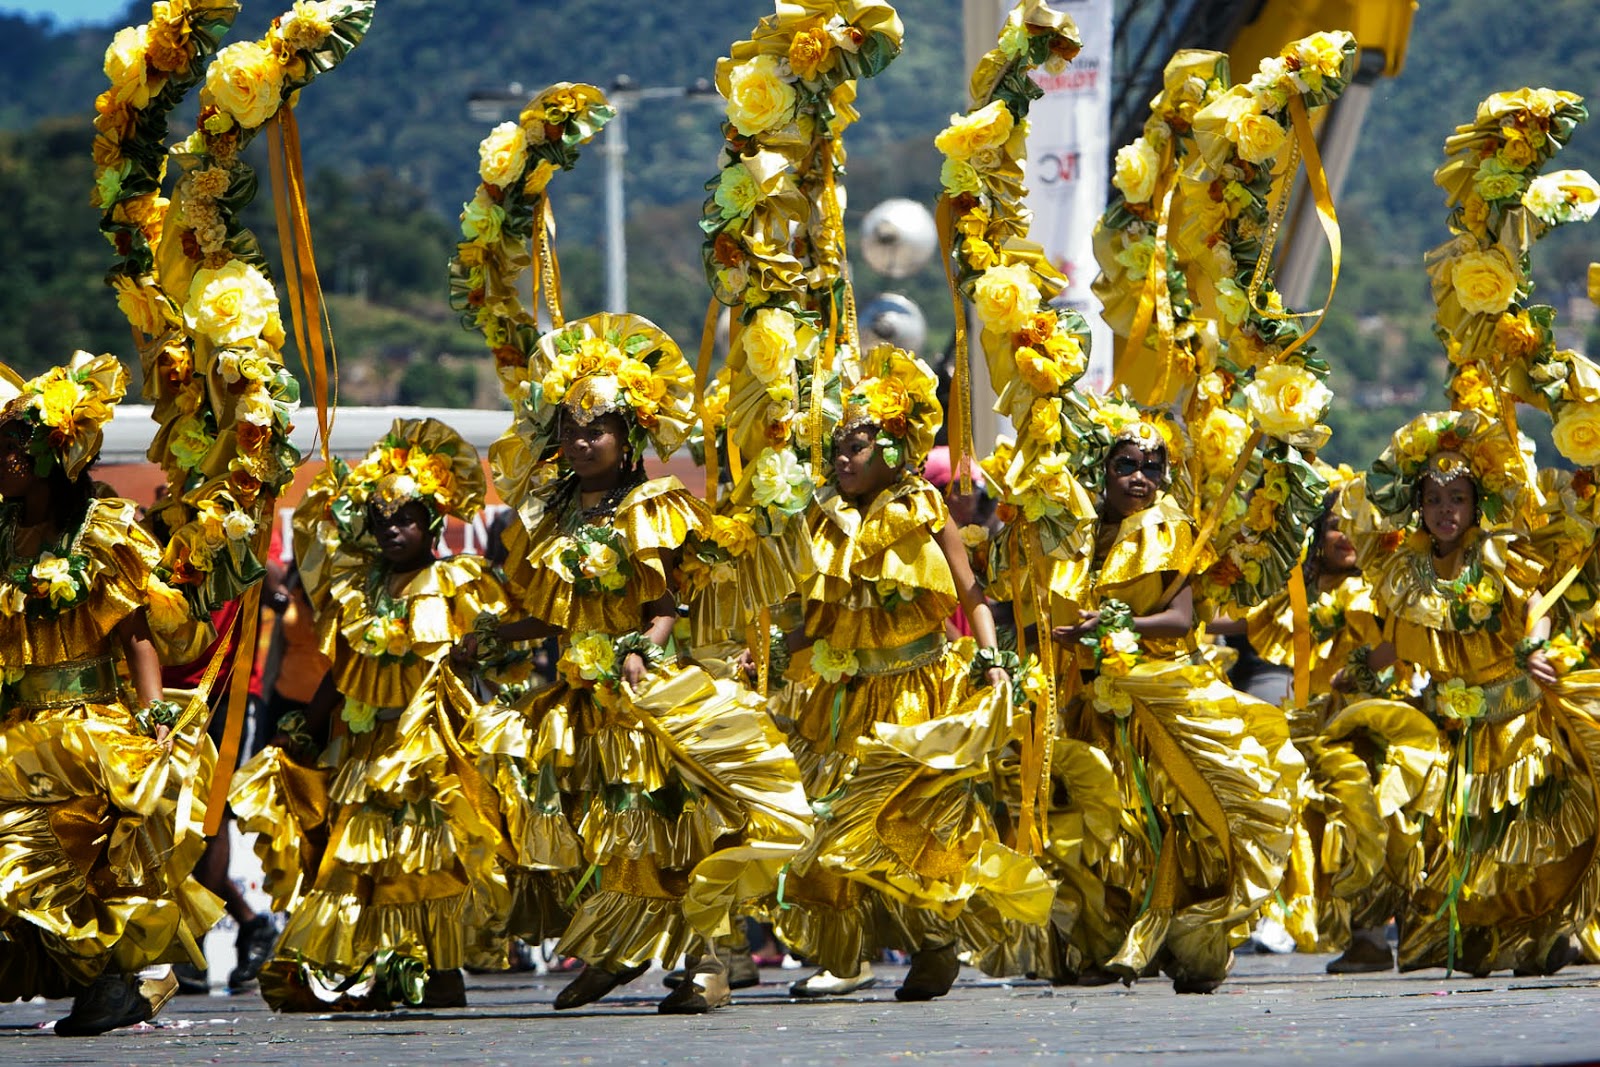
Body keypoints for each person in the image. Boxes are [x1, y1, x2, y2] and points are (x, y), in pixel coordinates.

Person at [480, 312, 810, 1014]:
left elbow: (663, 604)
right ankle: (616, 948)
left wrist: (641, 649)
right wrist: (499, 632)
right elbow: (558, 608)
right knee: (599, 829)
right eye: (569, 426)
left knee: (665, 826)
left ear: (630, 436)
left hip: (643, 694)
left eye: (595, 427)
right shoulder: (559, 511)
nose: (578, 440)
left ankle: (705, 965)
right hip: (582, 696)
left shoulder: (650, 505)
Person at [770, 345, 1048, 1003]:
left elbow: (971, 590)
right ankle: (844, 957)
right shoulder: (819, 517)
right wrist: (775, 656)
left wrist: (991, 658)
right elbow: (811, 613)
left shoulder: (924, 507)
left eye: (858, 445)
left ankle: (935, 941)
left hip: (921, 692)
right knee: (825, 820)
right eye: (837, 444)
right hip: (847, 694)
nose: (844, 457)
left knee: (914, 824)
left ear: (892, 448)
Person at [1002, 405, 1302, 993]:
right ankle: (1103, 943)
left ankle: (1188, 939)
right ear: (1103, 471)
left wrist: (1113, 624)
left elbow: (1178, 620)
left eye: (1152, 467)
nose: (1140, 478)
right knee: (1103, 827)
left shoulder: (1167, 525)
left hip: (1159, 698)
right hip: (1091, 700)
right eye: (1126, 466)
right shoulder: (1082, 531)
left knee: (1171, 820)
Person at [235, 418, 513, 1010]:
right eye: (382, 520)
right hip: (367, 750)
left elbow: (489, 660)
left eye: (406, 518)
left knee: (429, 861)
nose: (393, 530)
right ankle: (382, 971)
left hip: (431, 750)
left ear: (432, 522)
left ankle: (441, 972)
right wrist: (302, 731)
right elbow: (343, 671)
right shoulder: (360, 591)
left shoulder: (459, 580)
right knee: (364, 864)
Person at [1326, 410, 1600, 975]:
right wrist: (1359, 671)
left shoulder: (1498, 556)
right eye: (1433, 499)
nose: (1445, 511)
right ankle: (1481, 937)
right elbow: (1400, 641)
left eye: (1457, 498)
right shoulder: (1410, 573)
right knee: (1461, 842)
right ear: (1417, 508)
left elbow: (1534, 609)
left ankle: (1539, 929)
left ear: (1476, 506)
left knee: (1531, 837)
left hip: (1520, 718)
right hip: (1459, 730)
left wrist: (1535, 650)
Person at [0, 353, 220, 1035]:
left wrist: (155, 717)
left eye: (13, 445)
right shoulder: (3, 534)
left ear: (51, 455)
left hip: (86, 728)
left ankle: (111, 980)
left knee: (76, 864)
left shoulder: (100, 529)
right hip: (19, 726)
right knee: (20, 858)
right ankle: (104, 978)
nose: (2, 458)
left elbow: (136, 636)